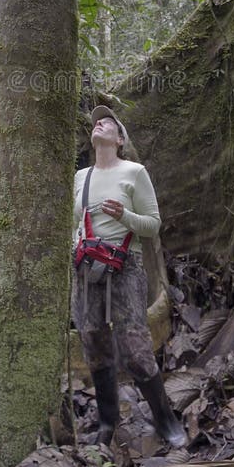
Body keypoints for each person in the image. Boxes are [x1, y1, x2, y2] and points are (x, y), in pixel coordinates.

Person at [72, 105, 187, 449]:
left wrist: (124, 216)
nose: (99, 124)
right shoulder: (81, 177)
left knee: (135, 348)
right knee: (93, 342)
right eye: (96, 122)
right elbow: (72, 223)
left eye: (107, 122)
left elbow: (153, 225)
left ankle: (166, 421)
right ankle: (108, 423)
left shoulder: (135, 172)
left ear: (120, 139)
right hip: (85, 268)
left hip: (125, 266)